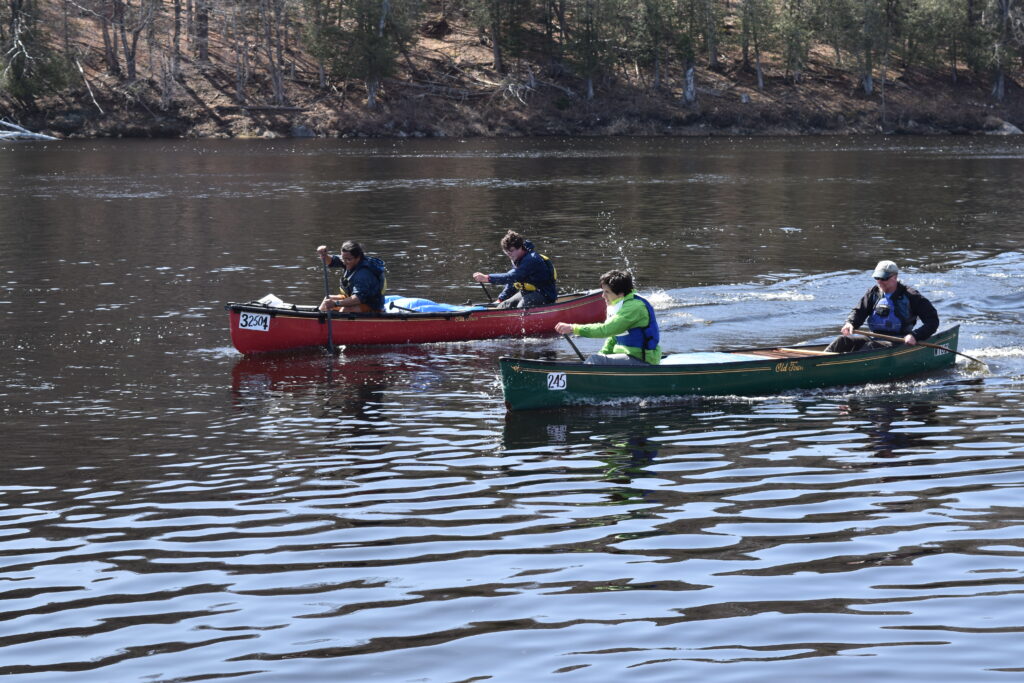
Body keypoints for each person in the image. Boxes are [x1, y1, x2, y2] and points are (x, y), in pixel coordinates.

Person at [824, 259, 939, 353]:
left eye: (884, 278)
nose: (879, 282)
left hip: (898, 340)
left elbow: (933, 321)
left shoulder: (911, 296)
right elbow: (859, 312)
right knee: (842, 340)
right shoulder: (873, 293)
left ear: (894, 277)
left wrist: (915, 335)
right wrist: (850, 323)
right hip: (874, 337)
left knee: (870, 347)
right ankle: (819, 363)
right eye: (877, 278)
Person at [554, 269, 661, 365]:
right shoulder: (619, 304)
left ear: (620, 294)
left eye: (607, 292)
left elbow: (606, 330)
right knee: (597, 359)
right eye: (603, 291)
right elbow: (613, 337)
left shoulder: (634, 308)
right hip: (626, 356)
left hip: (642, 360)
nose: (603, 296)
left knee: (596, 360)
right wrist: (602, 355)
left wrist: (573, 328)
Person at [472, 230, 557, 309]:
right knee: (503, 306)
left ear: (520, 247)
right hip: (527, 293)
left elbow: (512, 276)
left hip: (544, 295)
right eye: (506, 252)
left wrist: (487, 278)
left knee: (521, 307)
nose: (509, 254)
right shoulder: (516, 258)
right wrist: (501, 299)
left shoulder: (531, 259)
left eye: (511, 251)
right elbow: (513, 282)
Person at [317, 241, 386, 313]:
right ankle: (320, 321)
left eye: (348, 259)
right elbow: (332, 261)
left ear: (358, 257)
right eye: (343, 258)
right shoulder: (348, 260)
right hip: (353, 297)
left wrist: (335, 303)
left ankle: (340, 323)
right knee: (327, 299)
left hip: (371, 304)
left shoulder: (364, 274)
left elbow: (357, 299)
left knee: (345, 310)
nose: (344, 262)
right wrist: (324, 256)